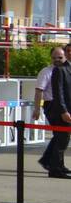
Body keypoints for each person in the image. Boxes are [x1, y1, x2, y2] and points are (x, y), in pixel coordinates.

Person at [37, 47, 70, 178]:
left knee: (60, 136)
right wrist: (37, 109)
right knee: (62, 136)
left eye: (60, 57)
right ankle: (54, 167)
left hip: (62, 107)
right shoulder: (48, 71)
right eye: (54, 58)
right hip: (53, 106)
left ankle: (52, 163)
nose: (57, 60)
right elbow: (41, 91)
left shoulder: (65, 69)